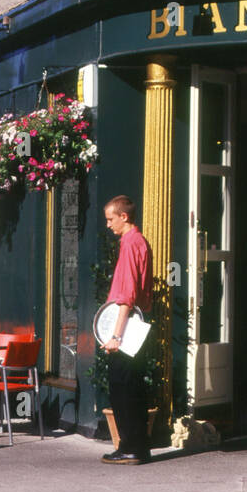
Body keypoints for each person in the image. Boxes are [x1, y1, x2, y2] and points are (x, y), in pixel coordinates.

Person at [101, 194, 153, 465]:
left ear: (124, 216)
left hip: (128, 326)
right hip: (138, 323)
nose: (108, 225)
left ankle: (130, 446)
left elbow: (127, 295)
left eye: (111, 219)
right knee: (132, 387)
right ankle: (136, 447)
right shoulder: (138, 242)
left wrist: (115, 336)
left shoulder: (131, 244)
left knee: (122, 388)